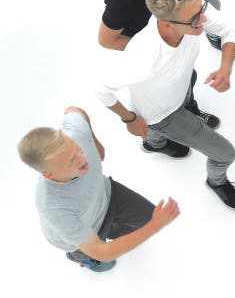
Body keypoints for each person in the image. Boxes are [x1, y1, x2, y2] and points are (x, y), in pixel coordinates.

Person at [95, 0, 235, 210]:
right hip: (162, 115)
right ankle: (215, 181)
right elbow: (101, 89)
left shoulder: (190, 13)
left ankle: (153, 142)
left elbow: (229, 31)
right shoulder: (144, 57)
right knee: (225, 154)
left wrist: (225, 67)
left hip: (180, 85)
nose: (204, 19)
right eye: (196, 18)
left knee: (191, 80)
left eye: (202, 6)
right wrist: (130, 119)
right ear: (167, 23)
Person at [19, 106, 180, 272]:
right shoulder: (54, 209)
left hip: (105, 195)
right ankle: (80, 257)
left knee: (145, 219)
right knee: (105, 261)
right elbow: (103, 253)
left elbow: (74, 110)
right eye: (71, 160)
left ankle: (112, 228)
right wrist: (155, 225)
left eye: (78, 149)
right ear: (49, 175)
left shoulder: (76, 133)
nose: (83, 158)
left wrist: (95, 141)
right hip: (79, 233)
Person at [99, 0, 221, 129]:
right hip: (155, 53)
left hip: (175, 34)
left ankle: (189, 107)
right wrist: (160, 48)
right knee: (154, 104)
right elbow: (106, 39)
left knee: (188, 77)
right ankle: (155, 141)